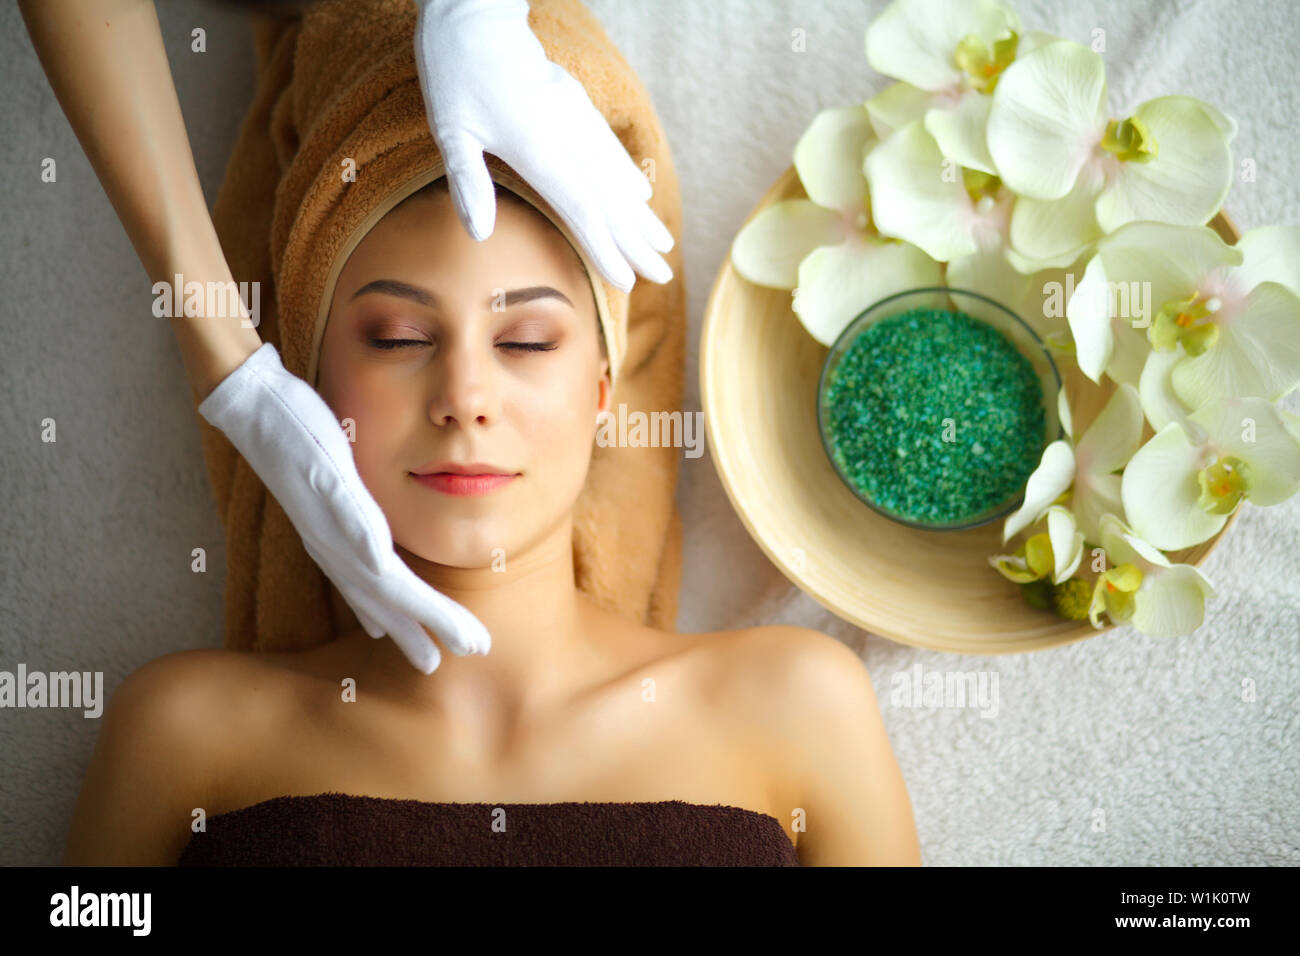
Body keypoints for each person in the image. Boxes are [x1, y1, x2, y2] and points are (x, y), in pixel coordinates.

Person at [25, 0, 921, 865]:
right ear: (305, 383)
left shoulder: (795, 705)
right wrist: (229, 370)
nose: (465, 396)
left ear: (603, 391)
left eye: (526, 341)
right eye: (400, 339)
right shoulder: (186, 732)